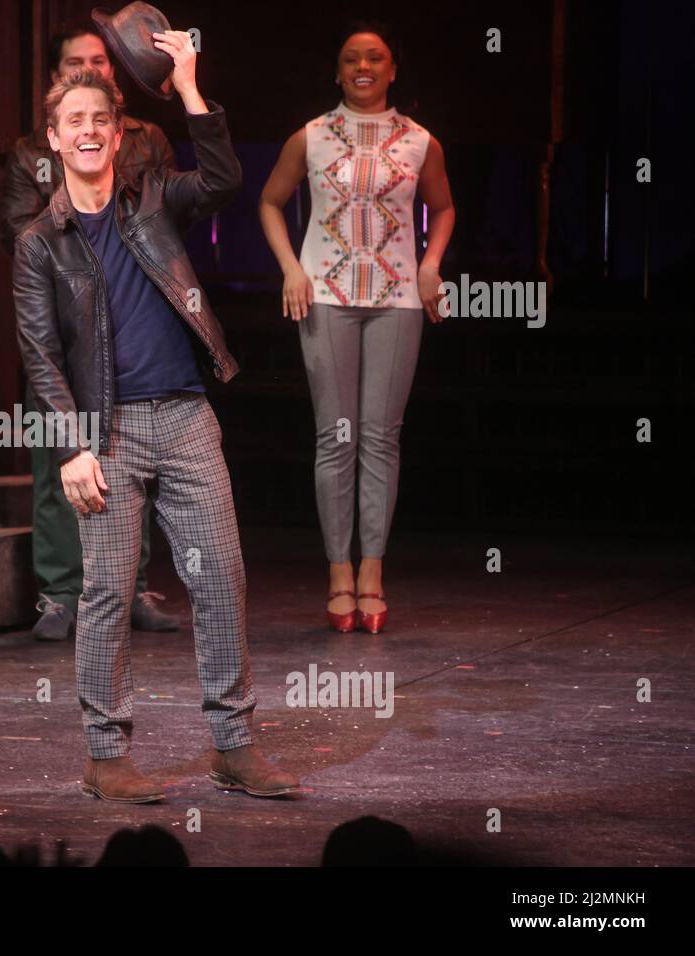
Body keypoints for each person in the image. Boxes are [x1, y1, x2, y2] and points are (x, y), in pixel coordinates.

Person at [13, 32, 300, 802]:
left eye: (99, 119)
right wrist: (73, 446)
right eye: (72, 119)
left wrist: (191, 84)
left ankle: (234, 745)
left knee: (221, 577)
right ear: (54, 137)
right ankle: (105, 755)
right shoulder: (41, 242)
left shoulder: (154, 200)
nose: (86, 130)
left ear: (115, 131)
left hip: (185, 418)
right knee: (105, 591)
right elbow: (40, 356)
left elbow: (224, 176)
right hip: (105, 434)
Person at [258, 20, 455, 634]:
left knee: (380, 437)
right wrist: (291, 267)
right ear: (337, 71)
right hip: (325, 296)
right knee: (335, 437)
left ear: (392, 70)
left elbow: (443, 208)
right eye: (351, 59)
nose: (363, 66)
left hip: (396, 298)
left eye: (375, 58)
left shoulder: (421, 141)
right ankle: (337, 570)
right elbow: (269, 201)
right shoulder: (311, 137)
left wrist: (430, 264)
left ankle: (372, 569)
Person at [0, 20, 179, 642]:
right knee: (60, 465)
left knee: (132, 465)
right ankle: (59, 594)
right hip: (64, 325)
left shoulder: (145, 140)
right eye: (77, 62)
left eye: (101, 61)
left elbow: (172, 219)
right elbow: (23, 231)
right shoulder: (30, 152)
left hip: (132, 329)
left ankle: (130, 587)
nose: (93, 69)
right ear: (57, 80)